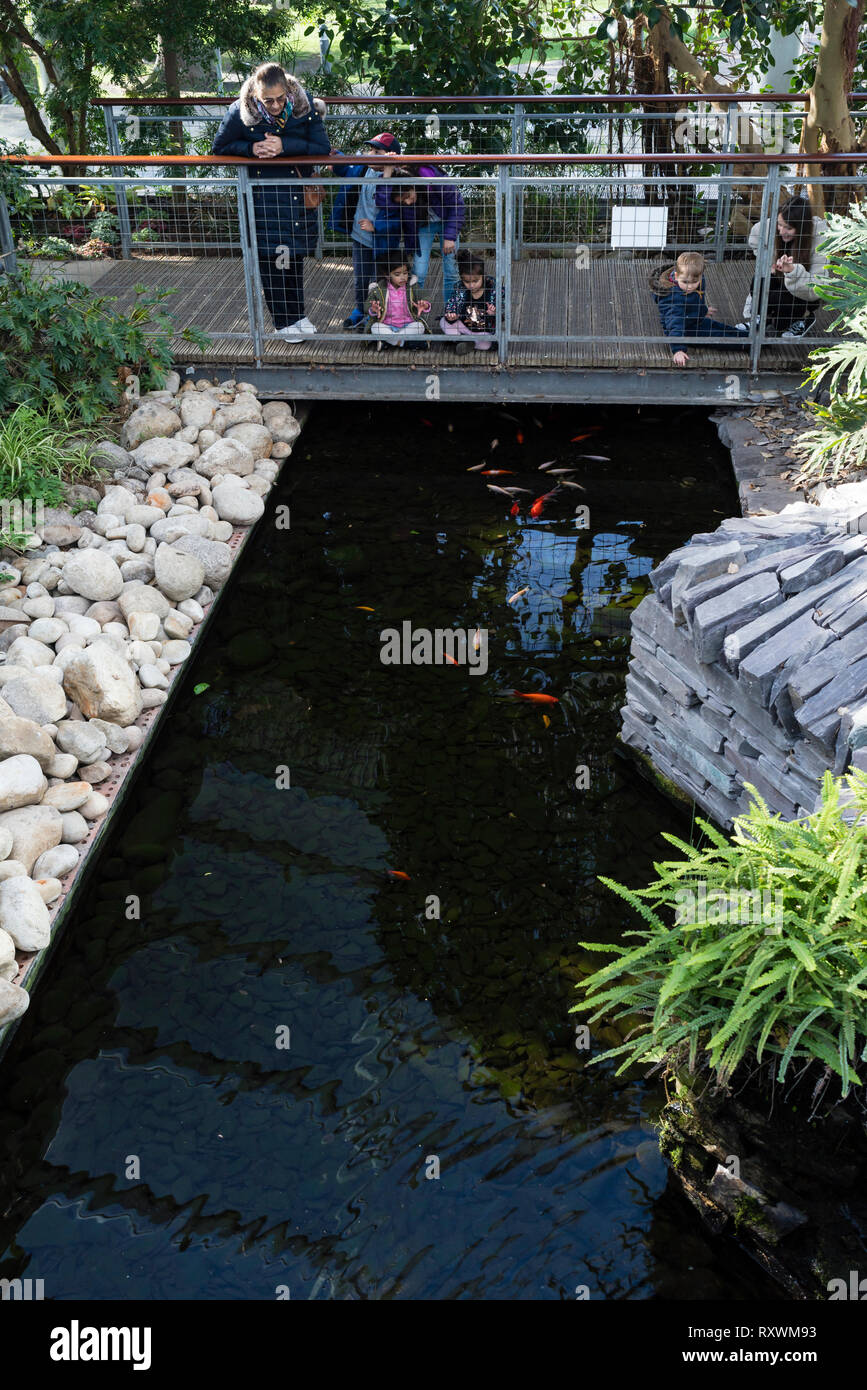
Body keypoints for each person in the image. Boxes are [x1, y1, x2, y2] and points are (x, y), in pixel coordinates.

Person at [211, 63, 330, 341]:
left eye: (280, 98)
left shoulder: (303, 105)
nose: (276, 105)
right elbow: (220, 147)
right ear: (256, 93)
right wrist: (251, 149)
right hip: (264, 198)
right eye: (268, 100)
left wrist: (284, 146)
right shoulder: (239, 111)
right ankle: (283, 322)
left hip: (296, 196)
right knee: (273, 259)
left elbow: (322, 148)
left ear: (288, 90)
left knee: (294, 256)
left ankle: (298, 315)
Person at [328, 132, 403, 330]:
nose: (370, 154)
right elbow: (347, 168)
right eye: (370, 150)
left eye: (376, 151)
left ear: (390, 155)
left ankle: (378, 314)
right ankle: (360, 310)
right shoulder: (364, 168)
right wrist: (335, 158)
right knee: (361, 278)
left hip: (383, 241)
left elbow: (396, 216)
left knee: (378, 281)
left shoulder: (398, 179)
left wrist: (376, 227)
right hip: (360, 236)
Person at [374, 161, 465, 304]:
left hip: (447, 222)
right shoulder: (399, 179)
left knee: (451, 270)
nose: (408, 203)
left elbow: (456, 204)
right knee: (419, 272)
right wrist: (387, 173)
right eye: (403, 202)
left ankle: (451, 311)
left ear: (412, 185)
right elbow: (382, 201)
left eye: (408, 197)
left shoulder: (430, 177)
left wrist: (450, 236)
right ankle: (414, 312)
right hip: (424, 225)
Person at [741, 194, 828, 338]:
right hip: (780, 281)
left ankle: (803, 317)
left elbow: (818, 287)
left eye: (788, 228)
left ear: (801, 227)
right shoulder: (769, 227)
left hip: (803, 290)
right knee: (759, 282)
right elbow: (755, 239)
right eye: (779, 224)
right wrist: (768, 264)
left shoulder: (820, 238)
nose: (781, 231)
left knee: (783, 302)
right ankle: (761, 318)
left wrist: (793, 272)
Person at [650, 252, 748, 367]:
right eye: (685, 282)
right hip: (684, 330)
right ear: (676, 276)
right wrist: (678, 350)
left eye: (694, 282)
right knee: (716, 337)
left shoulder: (698, 280)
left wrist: (703, 310)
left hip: (694, 319)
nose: (690, 286)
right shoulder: (674, 298)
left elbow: (698, 299)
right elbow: (674, 324)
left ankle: (748, 336)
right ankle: (747, 345)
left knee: (720, 327)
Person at [365, 251, 431, 348]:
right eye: (397, 274)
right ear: (387, 275)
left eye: (405, 273)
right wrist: (373, 309)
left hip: (408, 324)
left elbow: (424, 296)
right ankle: (404, 343)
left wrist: (425, 304)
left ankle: (391, 341)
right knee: (375, 327)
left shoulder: (412, 286)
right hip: (387, 325)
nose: (402, 277)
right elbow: (367, 306)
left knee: (419, 327)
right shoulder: (379, 289)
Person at [441, 250, 496, 351]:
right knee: (443, 322)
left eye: (475, 281)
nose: (471, 285)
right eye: (466, 282)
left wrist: (493, 313)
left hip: (482, 331)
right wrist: (452, 314)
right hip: (464, 327)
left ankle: (465, 342)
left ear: (483, 276)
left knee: (486, 344)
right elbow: (452, 304)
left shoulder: (493, 289)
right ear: (462, 279)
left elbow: (503, 311)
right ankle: (462, 340)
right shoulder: (460, 288)